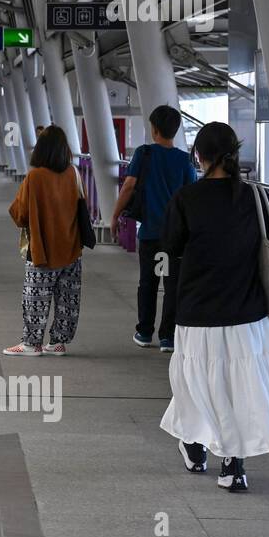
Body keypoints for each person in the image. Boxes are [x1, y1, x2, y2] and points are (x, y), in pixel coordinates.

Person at [159, 122, 269, 492]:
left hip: (198, 312)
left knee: (199, 384)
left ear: (199, 156)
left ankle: (195, 444)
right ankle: (233, 465)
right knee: (243, 389)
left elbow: (170, 246)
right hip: (248, 315)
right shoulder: (256, 197)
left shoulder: (187, 199)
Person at [111, 105, 196, 353]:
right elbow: (191, 196)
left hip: (150, 234)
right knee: (171, 286)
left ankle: (145, 331)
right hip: (175, 236)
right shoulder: (184, 160)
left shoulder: (144, 154)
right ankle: (168, 337)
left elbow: (128, 187)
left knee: (148, 283)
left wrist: (115, 215)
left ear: (154, 129)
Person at [5, 126, 83, 357]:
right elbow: (82, 206)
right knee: (67, 299)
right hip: (71, 248)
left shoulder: (35, 176)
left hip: (42, 249)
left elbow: (19, 214)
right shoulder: (74, 173)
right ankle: (58, 343)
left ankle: (31, 344)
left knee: (36, 296)